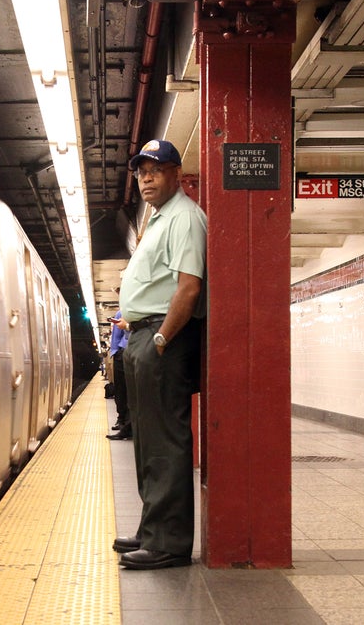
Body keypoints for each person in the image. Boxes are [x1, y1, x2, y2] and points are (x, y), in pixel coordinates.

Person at [111, 139, 206, 570]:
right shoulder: (160, 219)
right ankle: (152, 529)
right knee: (147, 442)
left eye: (156, 169)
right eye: (141, 171)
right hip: (143, 337)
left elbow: (188, 287)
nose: (146, 177)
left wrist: (162, 339)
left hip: (162, 340)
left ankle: (168, 542)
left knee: (165, 442)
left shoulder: (185, 218)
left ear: (177, 174)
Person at [105, 309, 132, 440]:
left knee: (125, 390)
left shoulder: (123, 312)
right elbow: (116, 335)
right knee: (123, 390)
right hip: (124, 352)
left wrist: (115, 351)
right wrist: (115, 352)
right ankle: (123, 422)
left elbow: (116, 335)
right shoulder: (121, 312)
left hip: (126, 352)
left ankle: (126, 424)